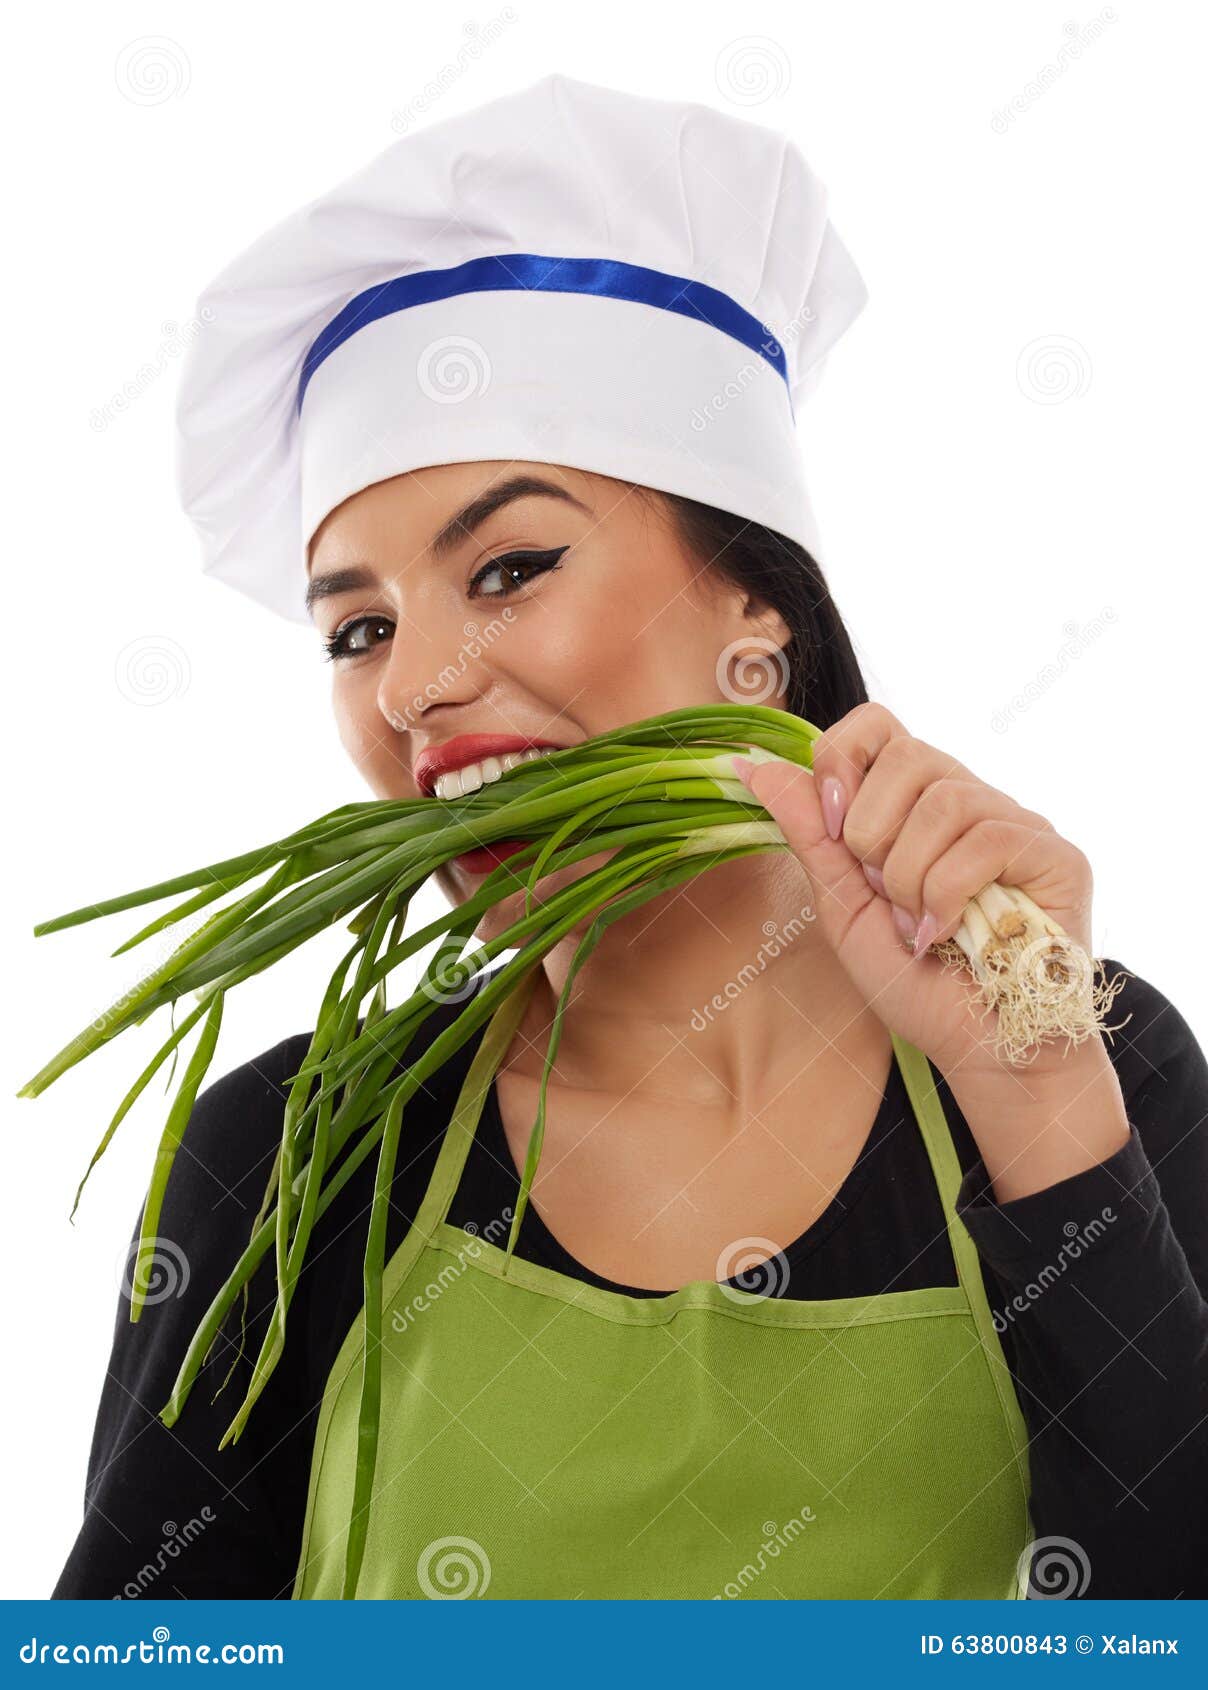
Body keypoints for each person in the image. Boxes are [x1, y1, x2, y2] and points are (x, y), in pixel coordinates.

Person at [54, 74, 1208, 1602]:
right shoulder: (287, 1157)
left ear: (760, 619)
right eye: (356, 629)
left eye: (512, 565)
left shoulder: (1092, 1067)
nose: (413, 686)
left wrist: (1036, 1087)